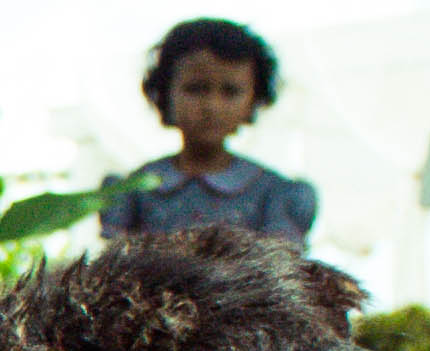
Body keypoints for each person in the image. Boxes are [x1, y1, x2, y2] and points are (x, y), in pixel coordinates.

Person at [96, 19, 320, 244]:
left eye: (230, 92)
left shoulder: (274, 195)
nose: (212, 106)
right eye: (195, 89)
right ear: (165, 94)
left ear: (254, 100)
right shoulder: (135, 191)